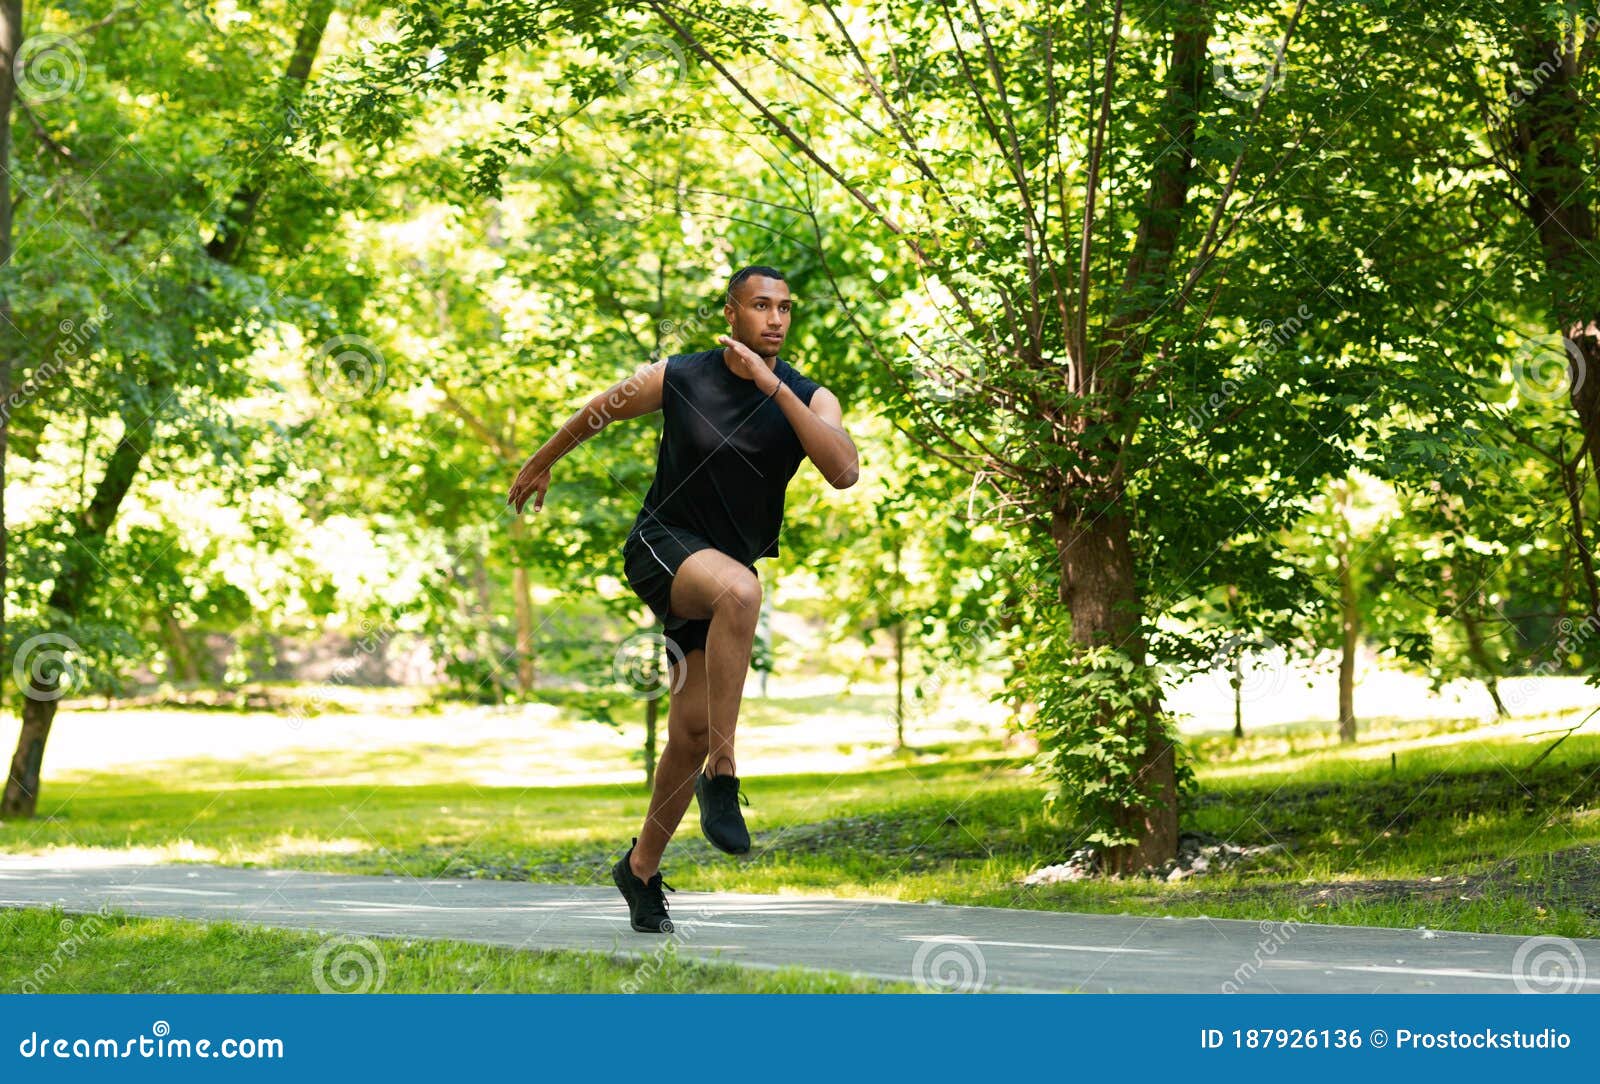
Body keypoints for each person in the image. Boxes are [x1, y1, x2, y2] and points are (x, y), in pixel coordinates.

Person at [505, 265, 859, 932]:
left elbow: (842, 470)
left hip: (721, 585)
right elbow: (600, 410)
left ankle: (639, 870)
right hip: (662, 547)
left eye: (784, 307)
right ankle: (724, 773)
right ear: (732, 315)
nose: (775, 318)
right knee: (743, 589)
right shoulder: (683, 376)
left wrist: (772, 387)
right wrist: (543, 459)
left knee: (687, 732)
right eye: (760, 306)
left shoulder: (810, 398)